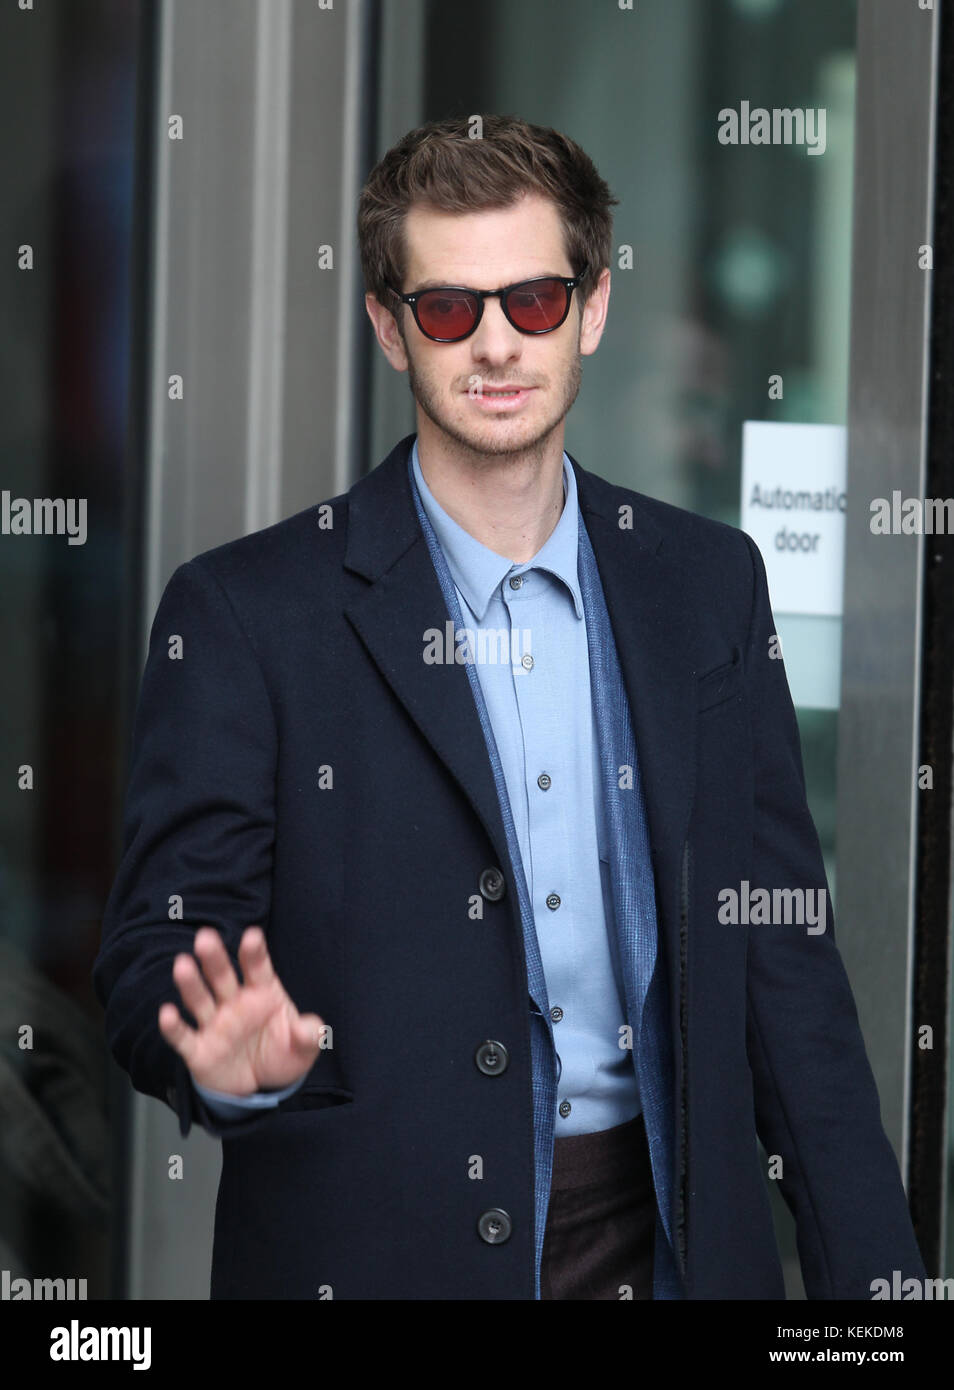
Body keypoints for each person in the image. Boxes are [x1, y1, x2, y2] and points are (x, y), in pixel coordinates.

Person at [93, 114, 926, 1300]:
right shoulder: (243, 613)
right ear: (390, 327)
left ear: (591, 310)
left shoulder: (710, 586)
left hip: (674, 1254)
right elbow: (151, 951)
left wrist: (881, 1300)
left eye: (533, 301)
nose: (495, 344)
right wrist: (225, 1062)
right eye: (449, 309)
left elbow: (783, 972)